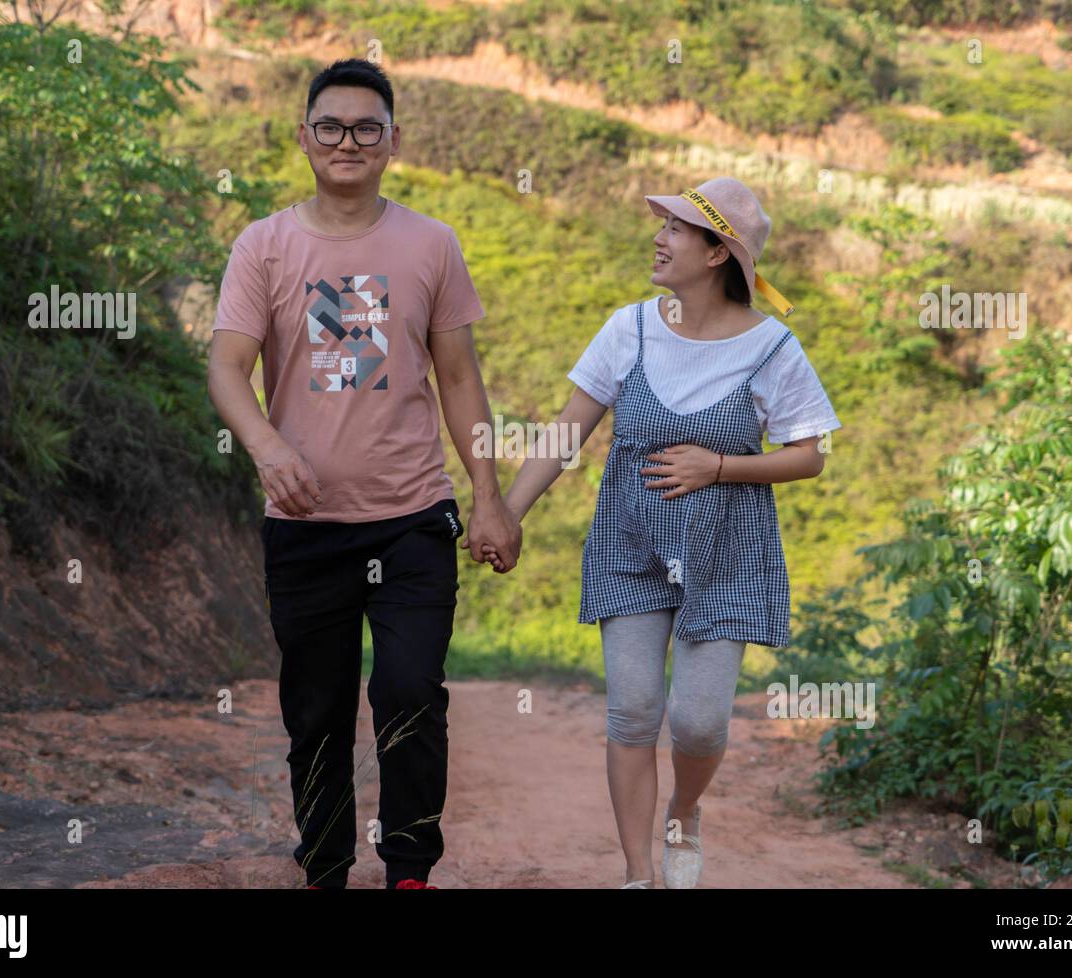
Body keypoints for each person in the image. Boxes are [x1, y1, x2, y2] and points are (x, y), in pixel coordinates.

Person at [207, 58, 521, 890]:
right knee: (316, 713)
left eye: (367, 128)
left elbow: (459, 379)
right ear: (305, 138)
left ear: (392, 142)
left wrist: (488, 497)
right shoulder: (265, 245)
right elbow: (228, 368)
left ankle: (410, 870)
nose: (349, 141)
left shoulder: (431, 243)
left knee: (411, 693)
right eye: (333, 127)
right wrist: (270, 452)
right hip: (306, 525)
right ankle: (326, 870)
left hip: (413, 515)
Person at [481, 177, 840, 888]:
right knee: (635, 708)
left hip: (729, 553)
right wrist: (507, 513)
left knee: (700, 723)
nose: (659, 237)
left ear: (715, 254)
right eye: (664, 225)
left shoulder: (771, 348)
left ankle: (685, 810)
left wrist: (721, 466)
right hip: (631, 546)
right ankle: (638, 873)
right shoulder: (630, 328)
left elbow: (810, 456)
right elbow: (564, 434)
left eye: (677, 229)